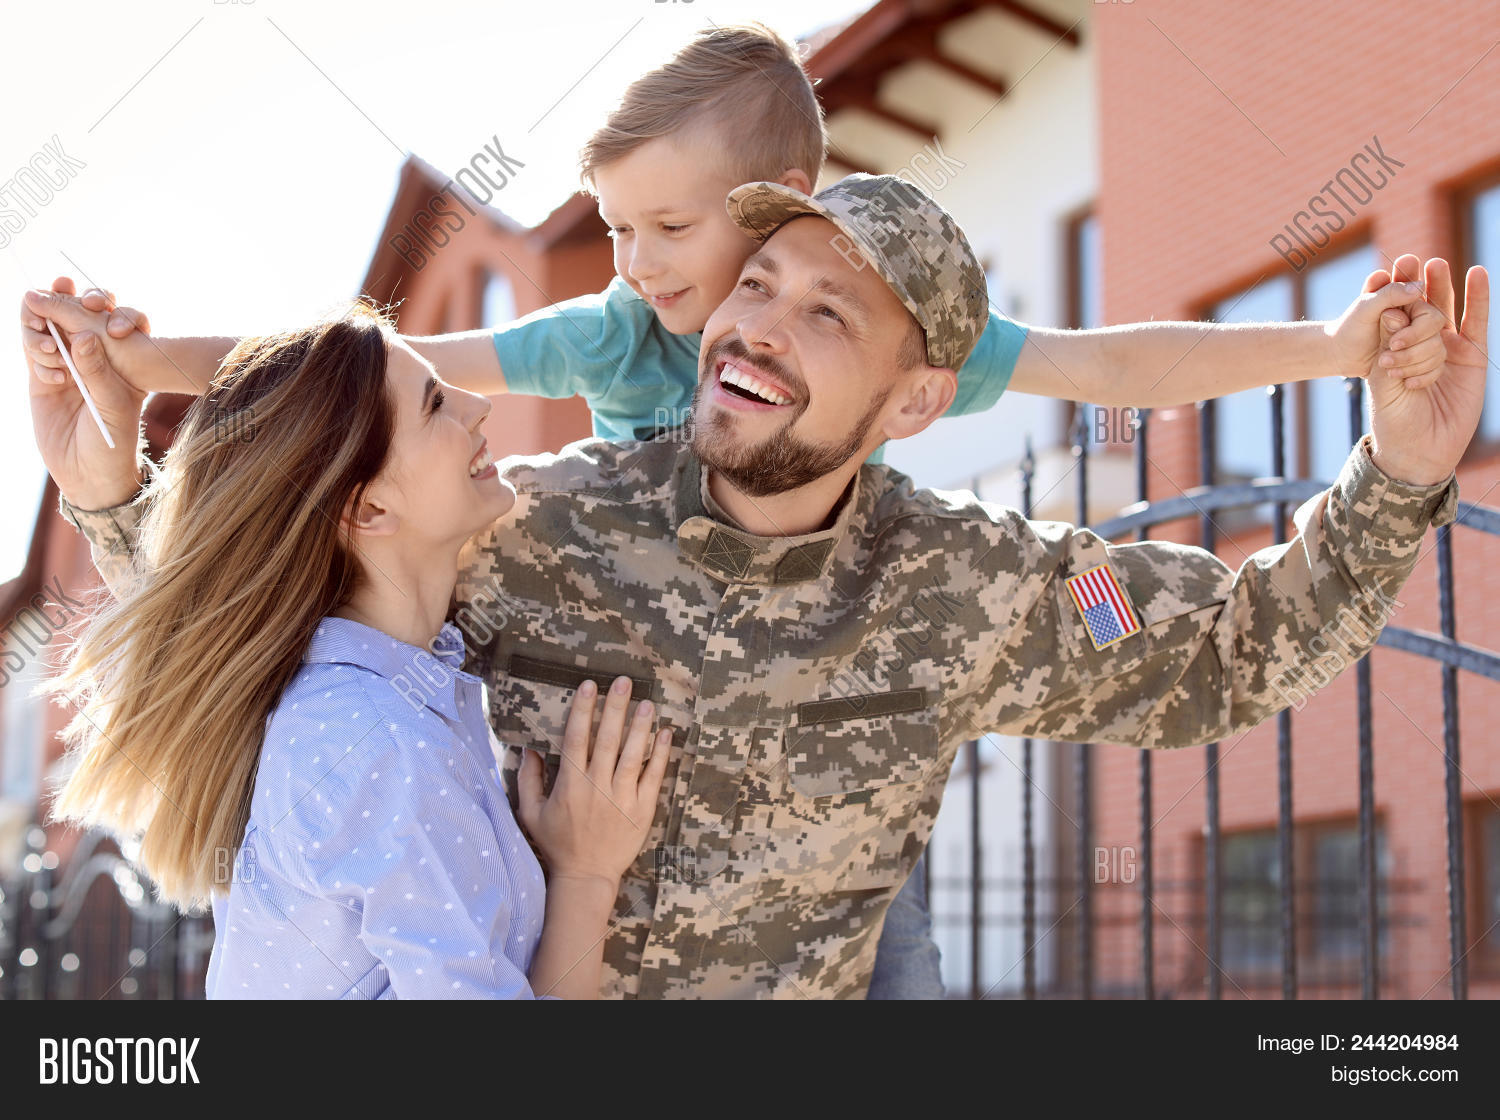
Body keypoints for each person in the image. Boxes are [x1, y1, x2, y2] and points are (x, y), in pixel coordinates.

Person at [19, 25, 1451, 999]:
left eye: (828, 310)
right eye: (755, 282)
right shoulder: (533, 523)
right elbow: (276, 605)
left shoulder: (1000, 590)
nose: (754, 324)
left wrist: (1393, 468)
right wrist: (107, 476)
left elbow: (1238, 640)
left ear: (915, 400)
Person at [39, 305, 672, 998]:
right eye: (435, 405)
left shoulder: (341, 695)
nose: (478, 405)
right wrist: (586, 875)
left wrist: (111, 458)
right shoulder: (381, 742)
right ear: (367, 511)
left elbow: (200, 626)